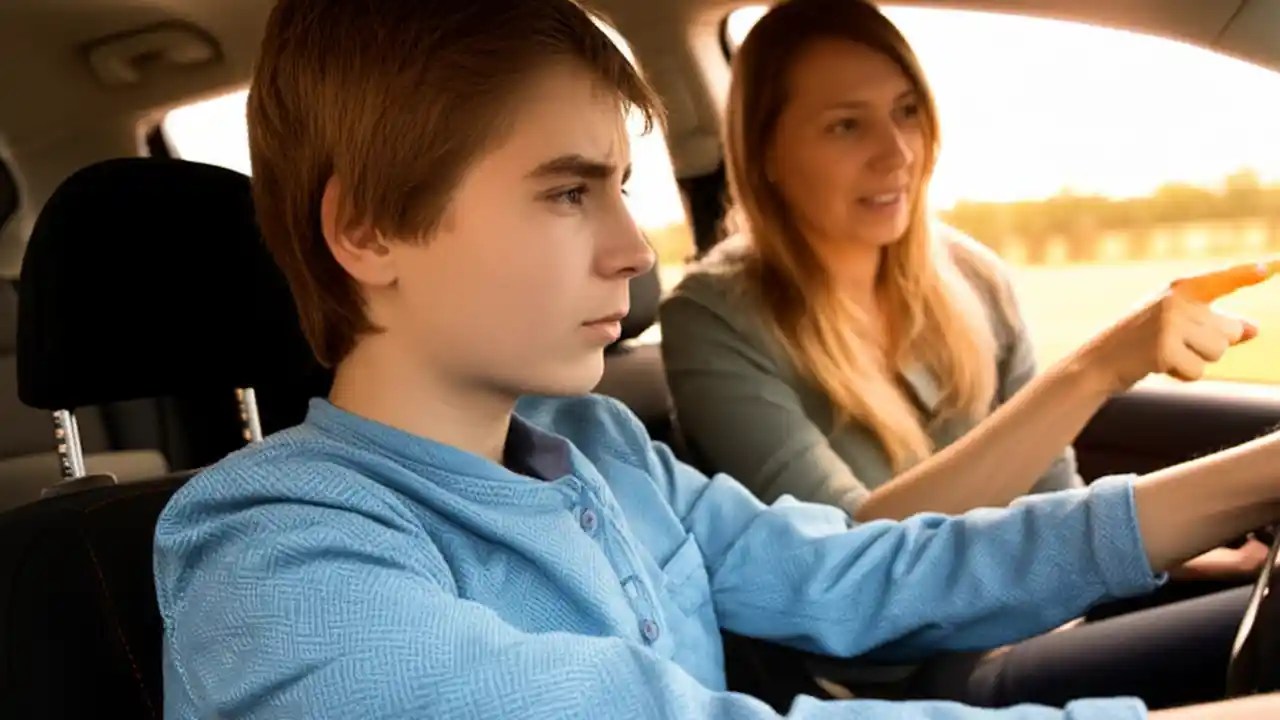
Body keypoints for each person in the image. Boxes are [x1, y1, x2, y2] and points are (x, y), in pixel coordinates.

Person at [152, 0, 1280, 717]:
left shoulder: (602, 453)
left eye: (619, 188)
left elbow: (861, 574)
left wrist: (1249, 474)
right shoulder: (275, 558)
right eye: (564, 192)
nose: (633, 251)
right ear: (368, 231)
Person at [658, 0, 1270, 587]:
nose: (896, 153)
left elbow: (1053, 498)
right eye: (846, 126)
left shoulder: (973, 276)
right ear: (765, 151)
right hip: (902, 677)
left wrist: (1186, 548)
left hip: (1038, 611)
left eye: (906, 111)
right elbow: (854, 563)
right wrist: (1099, 367)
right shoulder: (713, 319)